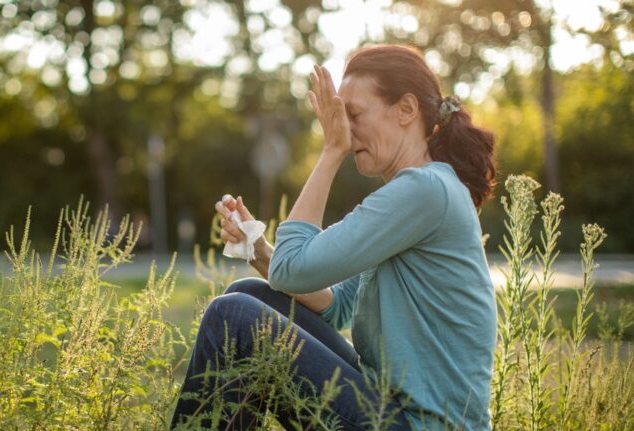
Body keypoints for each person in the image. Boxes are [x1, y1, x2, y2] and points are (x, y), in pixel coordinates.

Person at [170, 44, 497, 431]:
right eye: (340, 118)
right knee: (251, 295)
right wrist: (257, 249)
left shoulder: (424, 190)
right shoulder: (418, 193)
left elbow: (292, 270)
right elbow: (337, 305)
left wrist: (331, 151)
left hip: (416, 425)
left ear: (406, 110)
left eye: (353, 114)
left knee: (235, 318)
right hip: (388, 412)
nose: (342, 128)